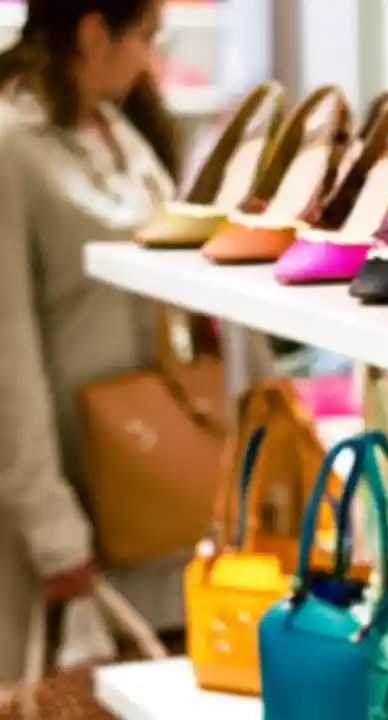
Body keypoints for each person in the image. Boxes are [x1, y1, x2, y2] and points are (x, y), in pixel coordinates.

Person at [0, 0, 180, 679]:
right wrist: (52, 529)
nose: (150, 59)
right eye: (144, 37)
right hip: (57, 492)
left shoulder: (117, 131)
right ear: (93, 31)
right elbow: (6, 348)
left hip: (143, 483)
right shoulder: (13, 148)